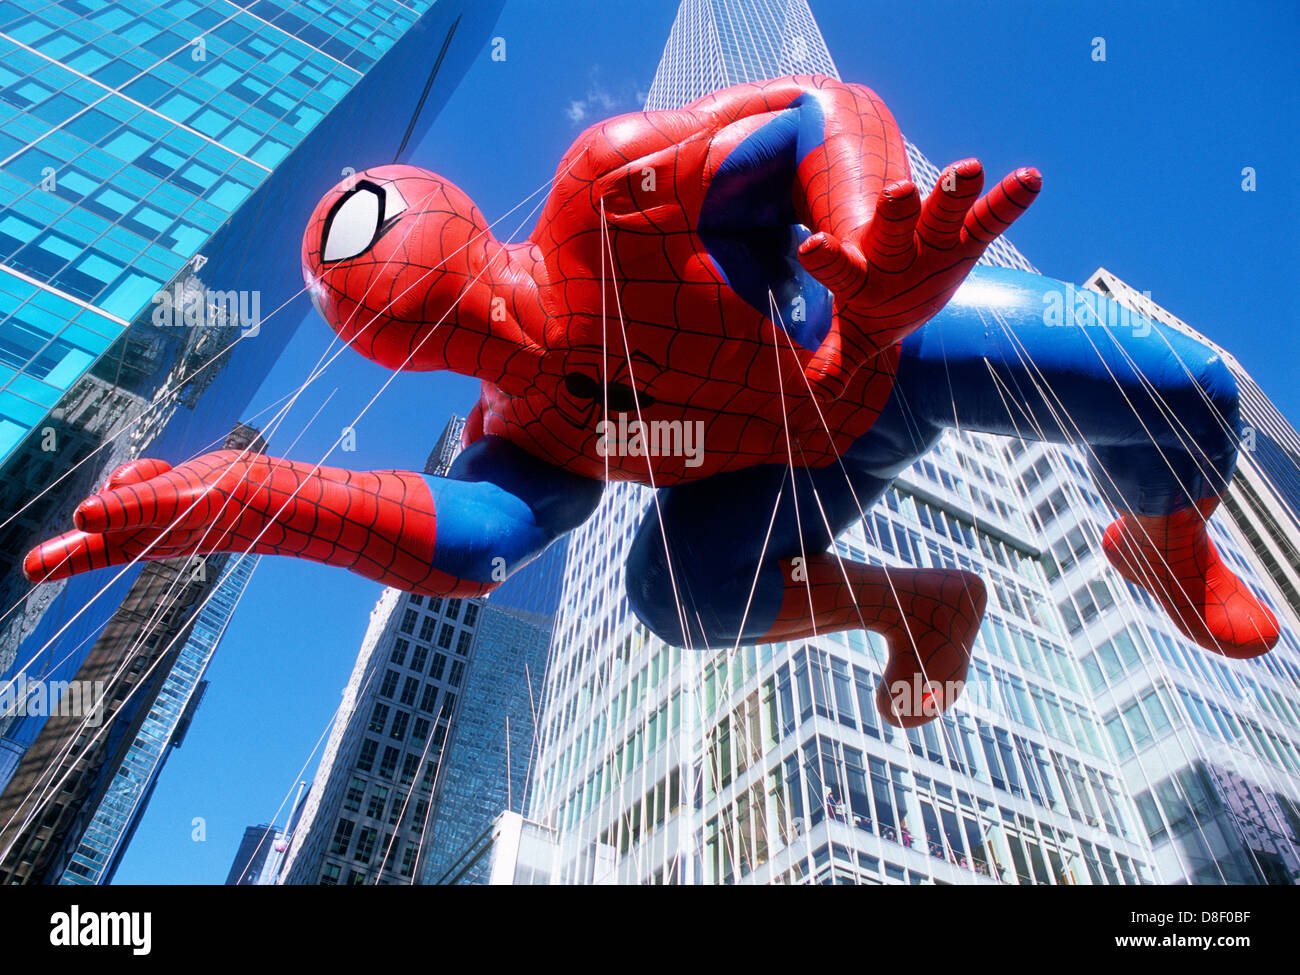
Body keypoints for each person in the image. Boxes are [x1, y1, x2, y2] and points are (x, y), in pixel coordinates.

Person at [24, 76, 1277, 728]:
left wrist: (860, 235)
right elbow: (471, 548)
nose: (489, 329)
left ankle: (1163, 547)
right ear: (386, 354)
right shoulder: (523, 438)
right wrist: (256, 499)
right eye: (421, 328)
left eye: (463, 288)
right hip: (784, 468)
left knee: (1192, 392)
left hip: (884, 334)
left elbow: (817, 111)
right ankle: (923, 609)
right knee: (671, 595)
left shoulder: (612, 187)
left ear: (463, 216)